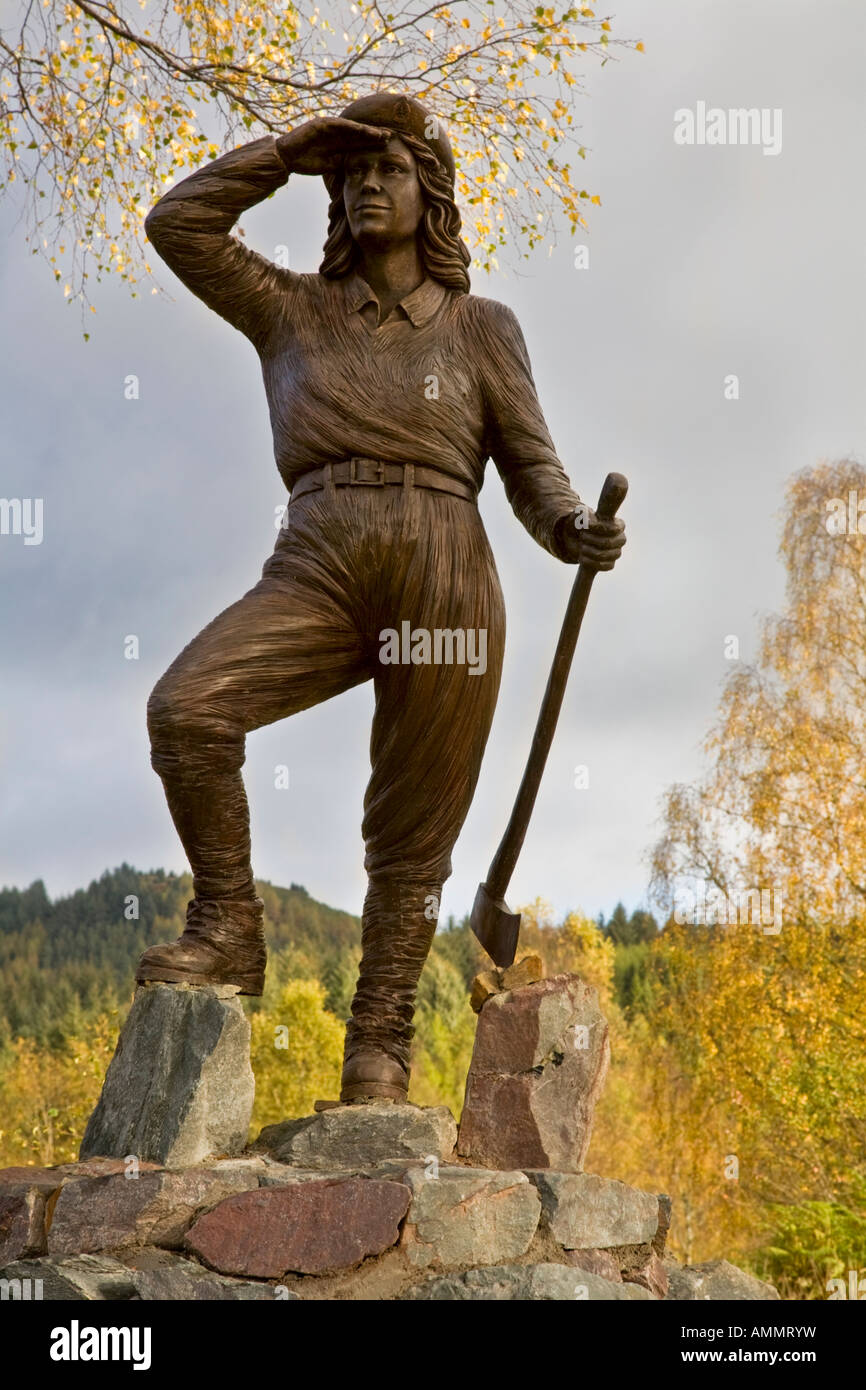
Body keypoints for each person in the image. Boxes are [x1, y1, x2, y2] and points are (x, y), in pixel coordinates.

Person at [135, 93, 626, 1103]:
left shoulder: (482, 329)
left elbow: (532, 473)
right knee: (188, 709)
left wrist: (573, 527)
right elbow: (176, 224)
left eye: (388, 168)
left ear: (429, 192)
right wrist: (282, 152)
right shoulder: (289, 310)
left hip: (445, 569)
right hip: (319, 558)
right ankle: (229, 927)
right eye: (349, 172)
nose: (365, 184)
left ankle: (378, 1049)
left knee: (410, 835)